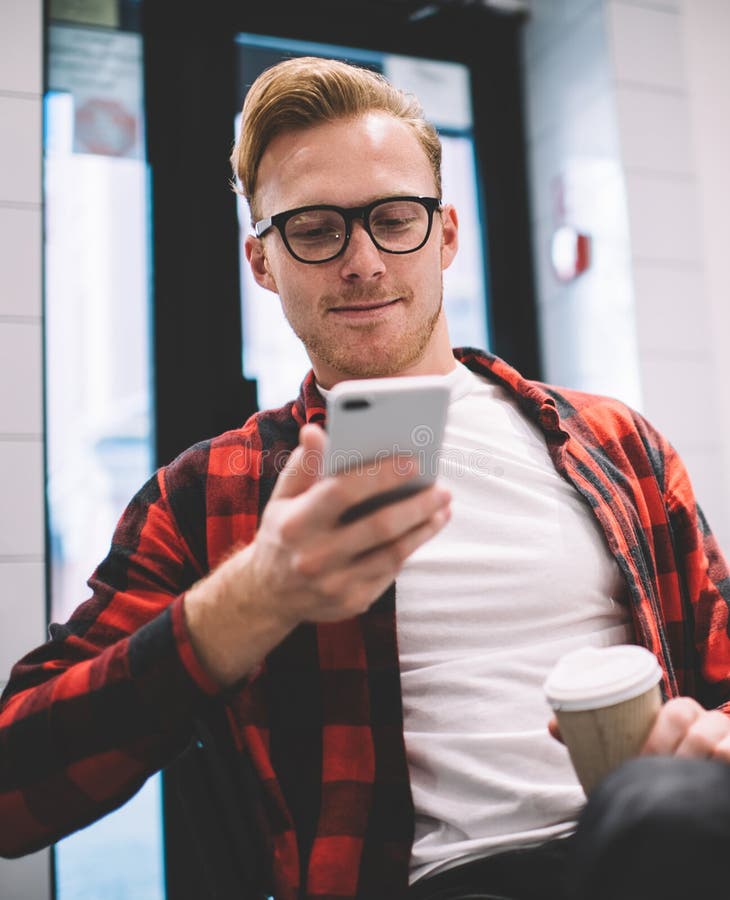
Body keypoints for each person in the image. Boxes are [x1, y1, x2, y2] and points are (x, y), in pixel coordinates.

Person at [2, 55, 730, 900]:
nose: (364, 262)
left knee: (670, 817)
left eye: (393, 219)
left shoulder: (616, 443)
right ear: (262, 261)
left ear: (446, 234)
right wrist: (257, 597)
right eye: (315, 230)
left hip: (665, 842)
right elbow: (14, 791)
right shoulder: (209, 496)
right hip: (443, 882)